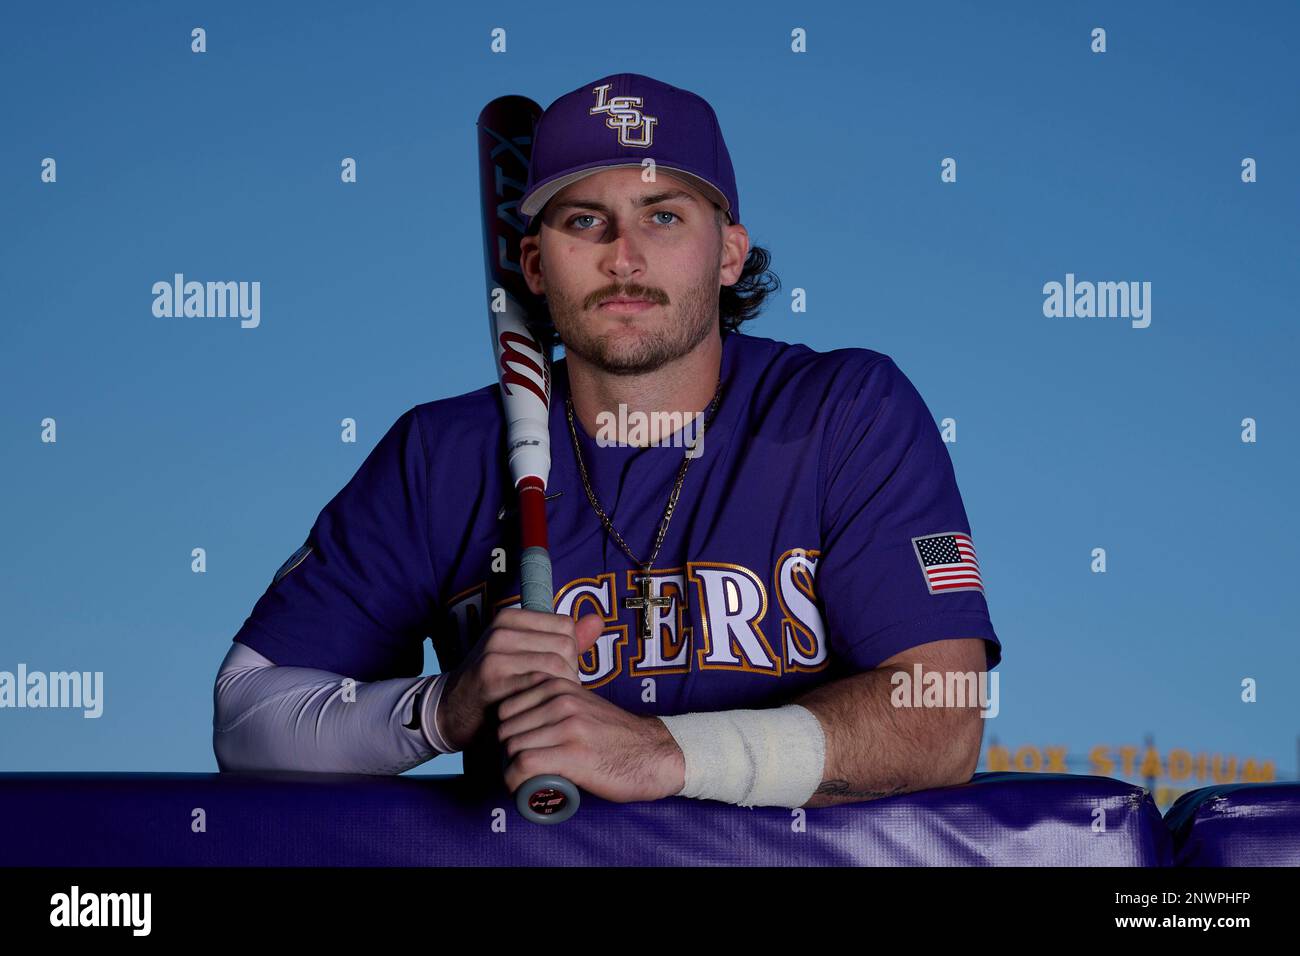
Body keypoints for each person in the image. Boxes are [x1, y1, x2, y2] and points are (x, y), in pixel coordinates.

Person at [213, 72, 1001, 810]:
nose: (624, 257)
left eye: (664, 216)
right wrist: (441, 707)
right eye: (584, 221)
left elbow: (942, 715)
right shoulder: (442, 454)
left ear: (728, 252)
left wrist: (665, 753)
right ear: (533, 263)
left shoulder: (844, 411)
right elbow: (246, 717)